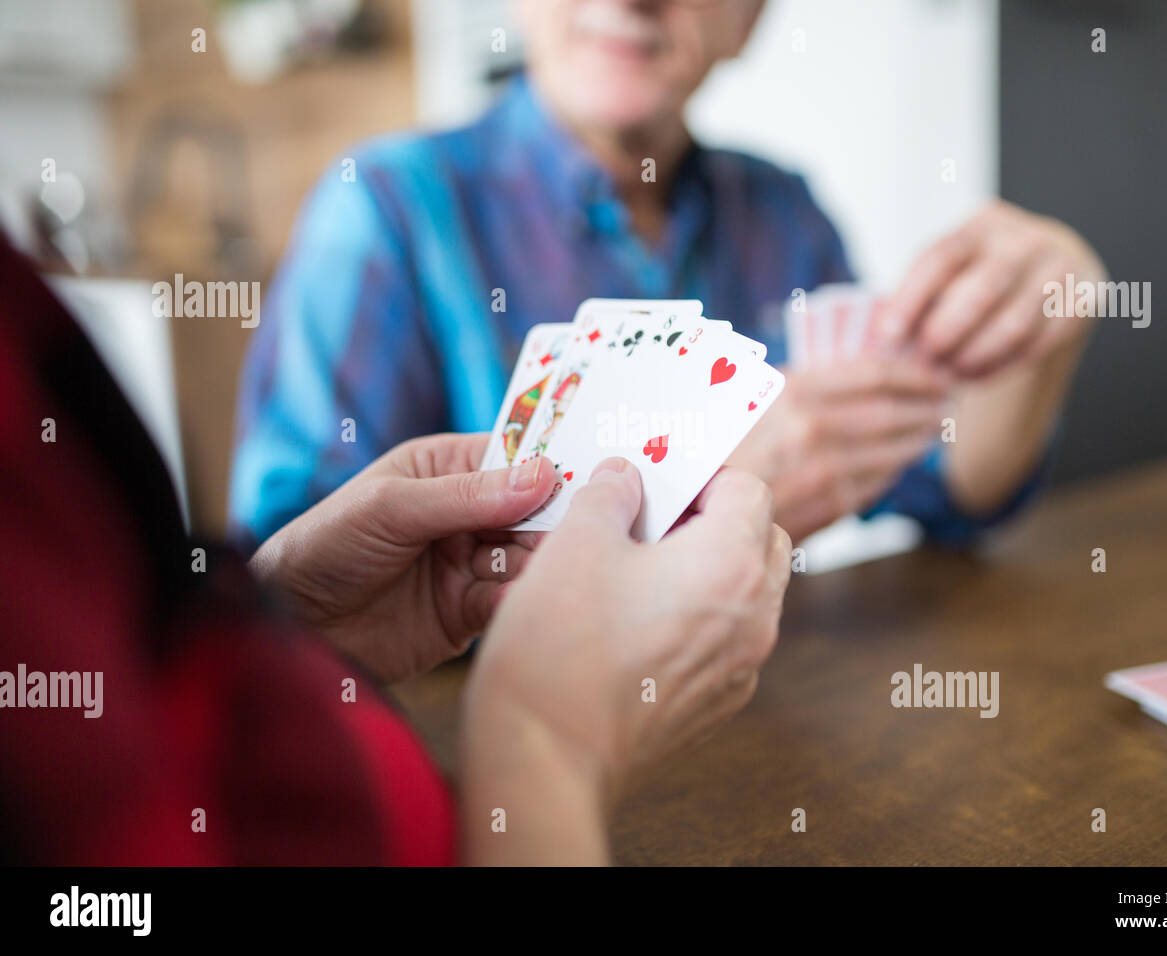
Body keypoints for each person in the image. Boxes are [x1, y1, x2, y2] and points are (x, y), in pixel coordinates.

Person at [0, 239, 791, 865]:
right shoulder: (383, 205)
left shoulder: (776, 205)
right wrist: (548, 742)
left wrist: (293, 627)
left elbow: (145, 682)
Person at [229, 0, 1104, 551]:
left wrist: (1040, 336)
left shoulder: (784, 210)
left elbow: (948, 486)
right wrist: (692, 502)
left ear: (752, 18)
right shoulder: (383, 209)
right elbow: (291, 605)